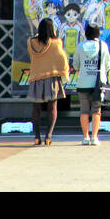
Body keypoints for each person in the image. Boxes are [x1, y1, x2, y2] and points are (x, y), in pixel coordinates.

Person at [27, 17, 70, 146]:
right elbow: (62, 59)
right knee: (52, 107)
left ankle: (36, 136)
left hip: (36, 77)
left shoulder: (31, 42)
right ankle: (48, 136)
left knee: (36, 108)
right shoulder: (56, 42)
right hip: (52, 77)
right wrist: (64, 73)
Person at [73, 24, 110, 146]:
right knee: (96, 110)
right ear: (98, 33)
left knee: (84, 110)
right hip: (98, 83)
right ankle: (94, 137)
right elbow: (108, 65)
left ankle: (85, 137)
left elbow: (76, 65)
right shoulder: (103, 46)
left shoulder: (81, 46)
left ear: (86, 33)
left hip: (83, 82)